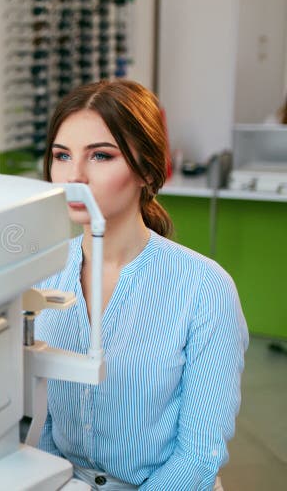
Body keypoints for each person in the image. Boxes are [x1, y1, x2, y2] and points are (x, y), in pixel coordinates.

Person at [34, 80, 248, 490]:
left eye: (100, 155)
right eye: (61, 156)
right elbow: (40, 422)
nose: (73, 175)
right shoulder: (41, 273)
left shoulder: (204, 290)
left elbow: (199, 457)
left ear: (147, 169)